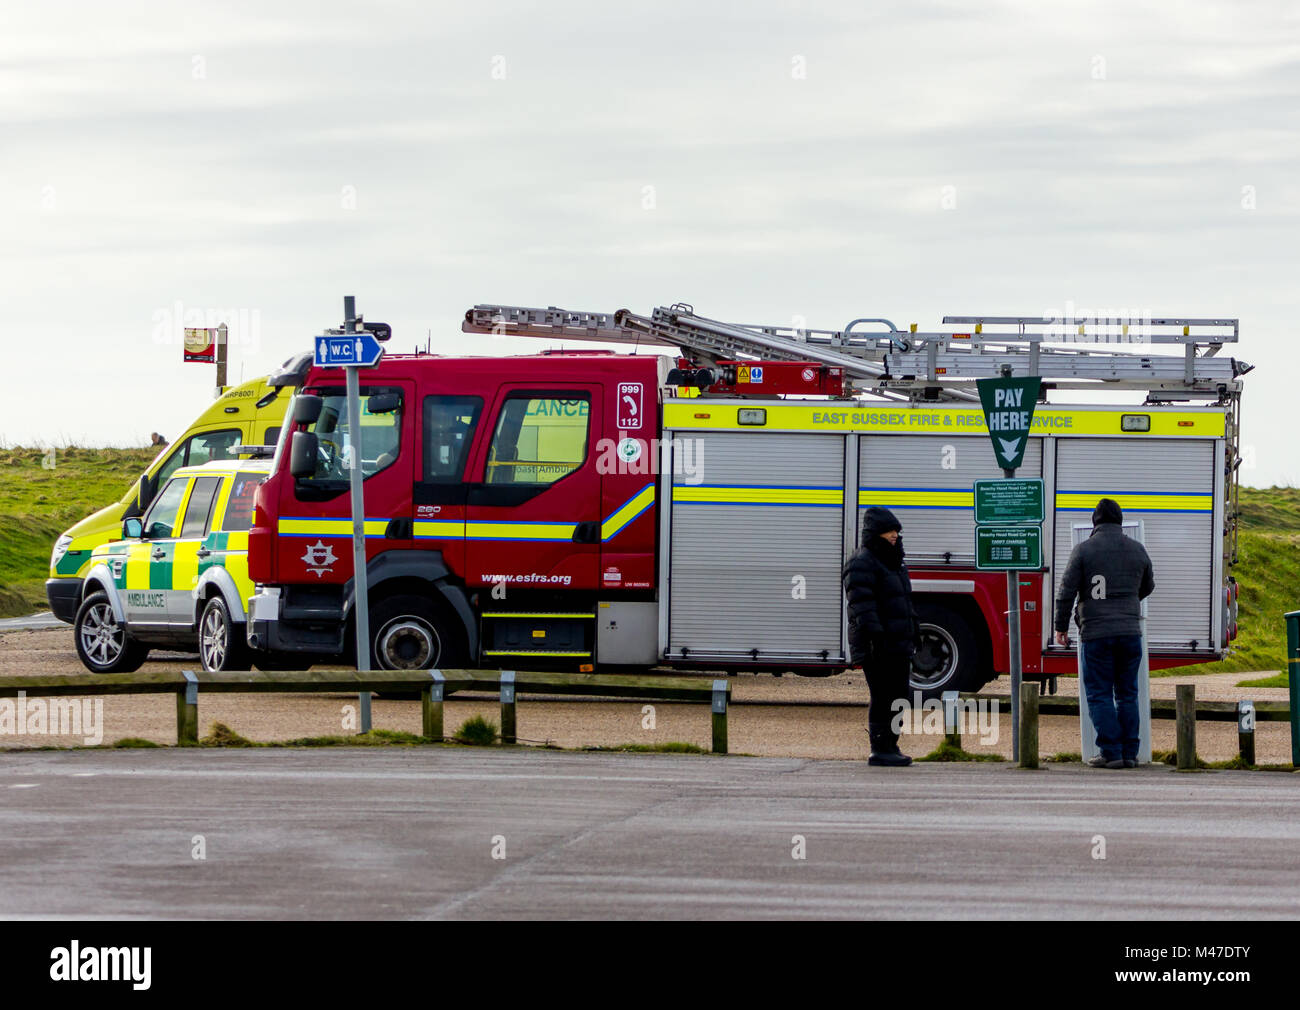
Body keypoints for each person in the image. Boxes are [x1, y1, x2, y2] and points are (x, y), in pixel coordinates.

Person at [1053, 498, 1155, 769]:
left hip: (1096, 633)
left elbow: (1066, 593)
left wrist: (1061, 626)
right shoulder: (1137, 550)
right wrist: (1127, 603)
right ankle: (1130, 754)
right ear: (1120, 521)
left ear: (1095, 522)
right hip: (1130, 632)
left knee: (1099, 693)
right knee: (1127, 694)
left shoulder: (1083, 550)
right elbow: (1148, 586)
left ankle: (1111, 752)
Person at [842, 506, 920, 767]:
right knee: (883, 696)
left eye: (896, 530)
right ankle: (880, 747)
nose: (895, 535)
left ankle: (892, 744)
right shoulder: (861, 562)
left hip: (899, 644)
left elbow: (904, 604)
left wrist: (913, 631)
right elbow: (862, 606)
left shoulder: (895, 563)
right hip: (879, 647)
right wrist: (876, 640)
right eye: (889, 531)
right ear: (876, 533)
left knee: (900, 695)